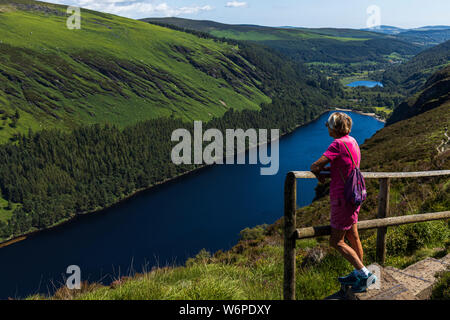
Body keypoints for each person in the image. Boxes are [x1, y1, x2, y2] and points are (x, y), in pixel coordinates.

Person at [310, 112, 377, 292]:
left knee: (336, 241)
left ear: (335, 127)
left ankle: (365, 275)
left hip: (342, 198)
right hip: (354, 195)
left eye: (329, 125)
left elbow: (315, 166)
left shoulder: (337, 144)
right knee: (353, 236)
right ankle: (358, 273)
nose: (327, 128)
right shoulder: (352, 141)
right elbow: (344, 166)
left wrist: (318, 173)